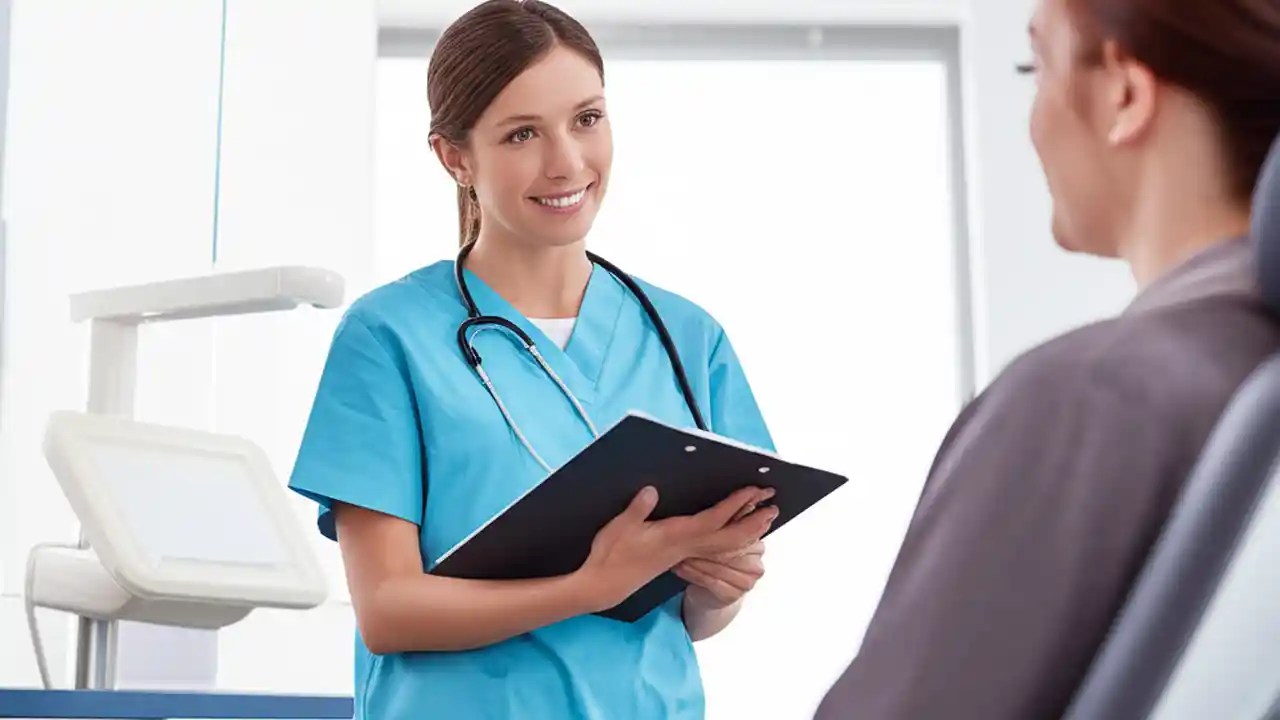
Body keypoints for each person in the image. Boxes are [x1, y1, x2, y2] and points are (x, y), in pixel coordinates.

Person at [287, 1, 779, 718]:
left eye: (587, 119)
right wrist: (591, 585)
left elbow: (692, 620)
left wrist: (716, 587)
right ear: (456, 157)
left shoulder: (687, 337)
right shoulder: (390, 337)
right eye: (522, 133)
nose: (567, 162)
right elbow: (387, 609)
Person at [816, 0, 1280, 718]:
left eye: (1038, 67)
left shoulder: (1093, 400)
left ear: (1123, 93)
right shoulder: (1248, 373)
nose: (1032, 122)